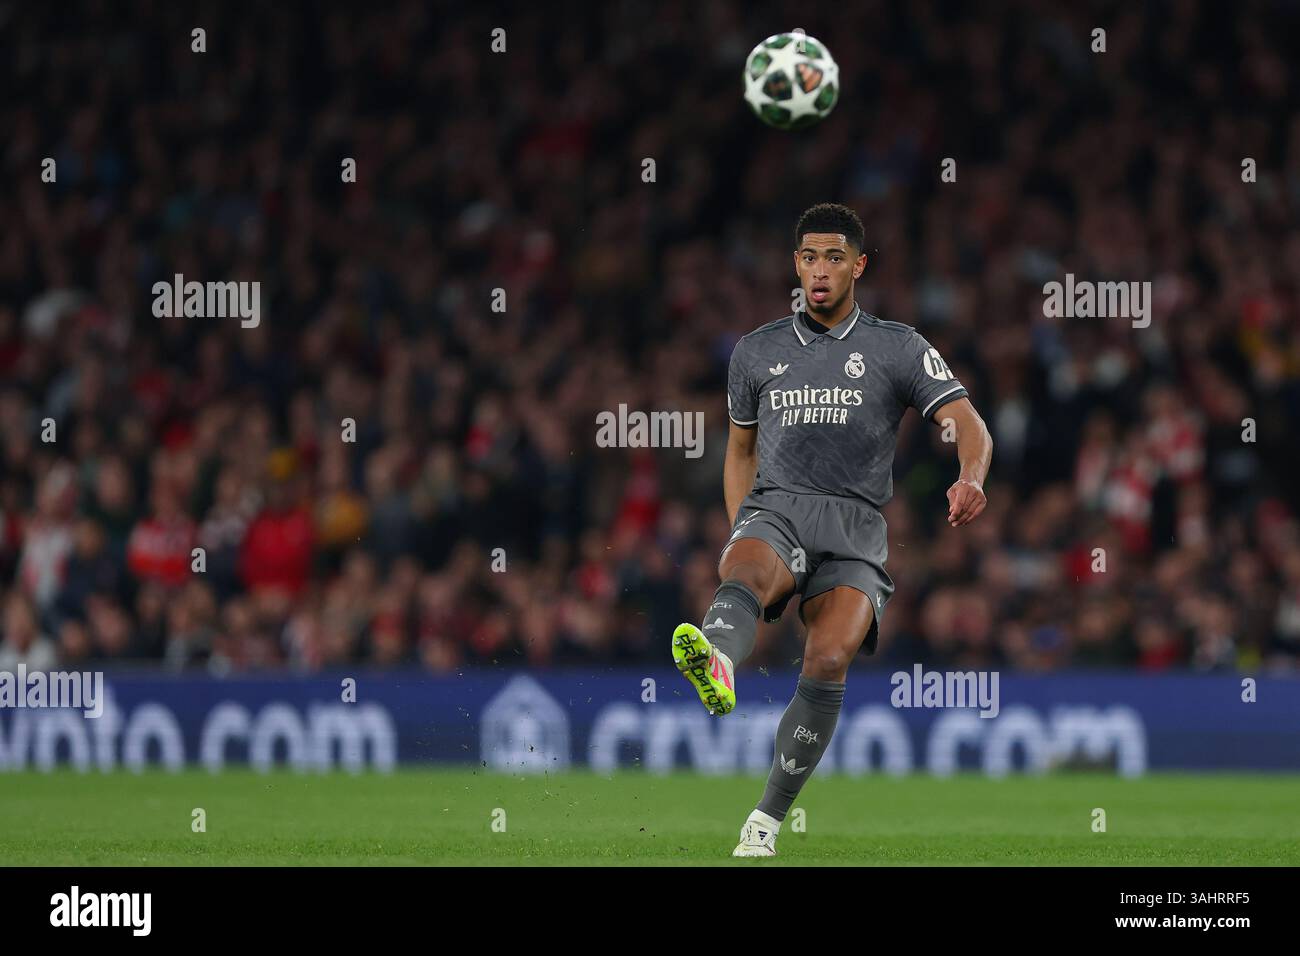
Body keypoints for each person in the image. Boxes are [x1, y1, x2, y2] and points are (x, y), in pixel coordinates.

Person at [671, 203, 993, 856]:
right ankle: (720, 662)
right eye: (810, 258)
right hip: (779, 505)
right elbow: (739, 451)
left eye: (835, 258)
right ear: (796, 265)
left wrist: (971, 475)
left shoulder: (898, 347)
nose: (820, 271)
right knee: (747, 572)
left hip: (855, 527)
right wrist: (742, 528)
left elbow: (969, 423)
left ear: (858, 266)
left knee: (827, 657)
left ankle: (763, 822)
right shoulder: (756, 351)